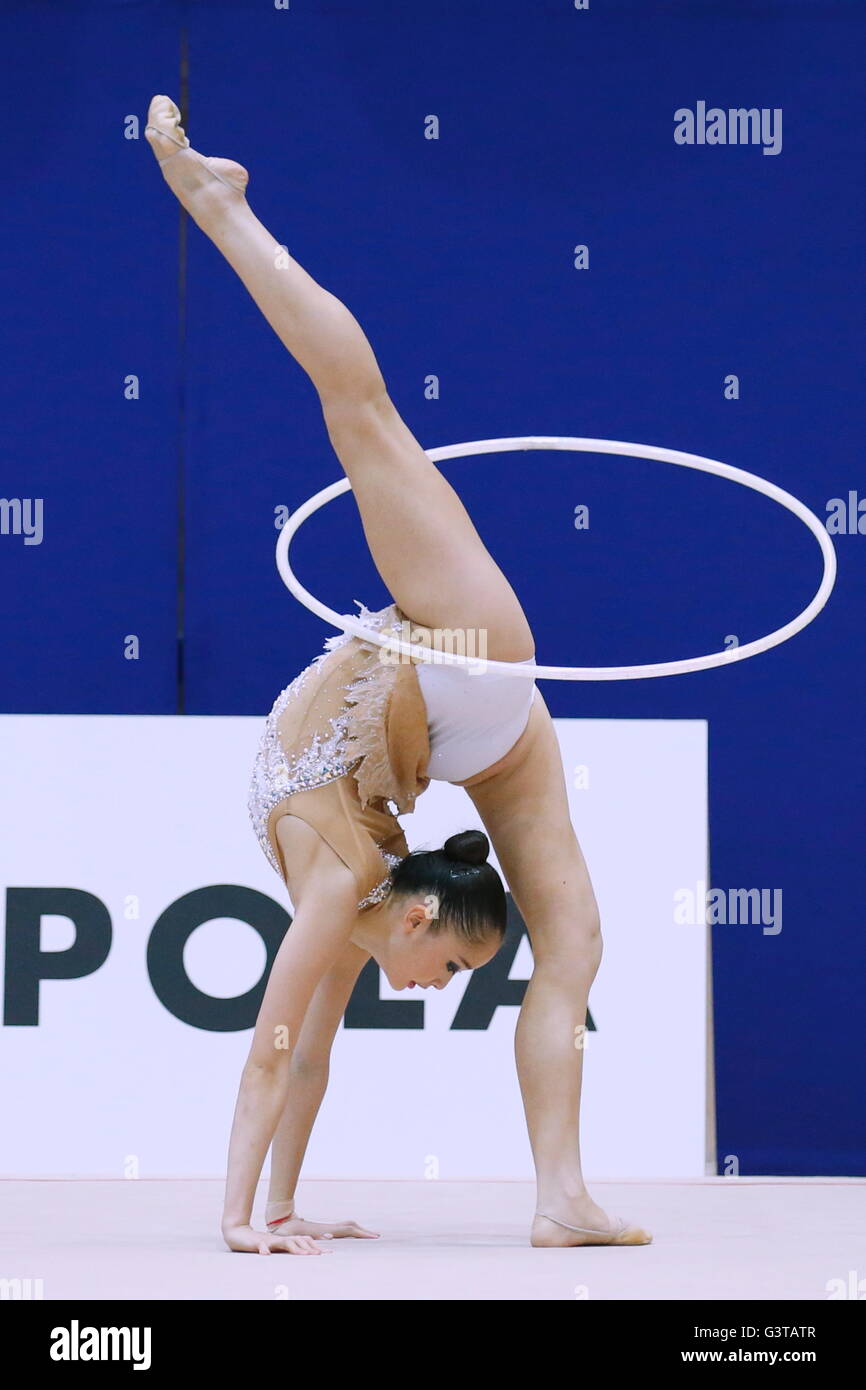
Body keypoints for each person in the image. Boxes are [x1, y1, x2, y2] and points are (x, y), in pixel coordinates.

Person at [145, 96, 652, 1253]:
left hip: (463, 685)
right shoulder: (348, 886)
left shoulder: (344, 897)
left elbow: (284, 1043)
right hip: (469, 672)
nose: (441, 986)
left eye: (455, 967)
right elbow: (285, 1046)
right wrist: (245, 1222)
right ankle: (222, 212)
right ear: (420, 911)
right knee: (363, 414)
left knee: (572, 943)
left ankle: (559, 1197)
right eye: (458, 964)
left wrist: (249, 1218)